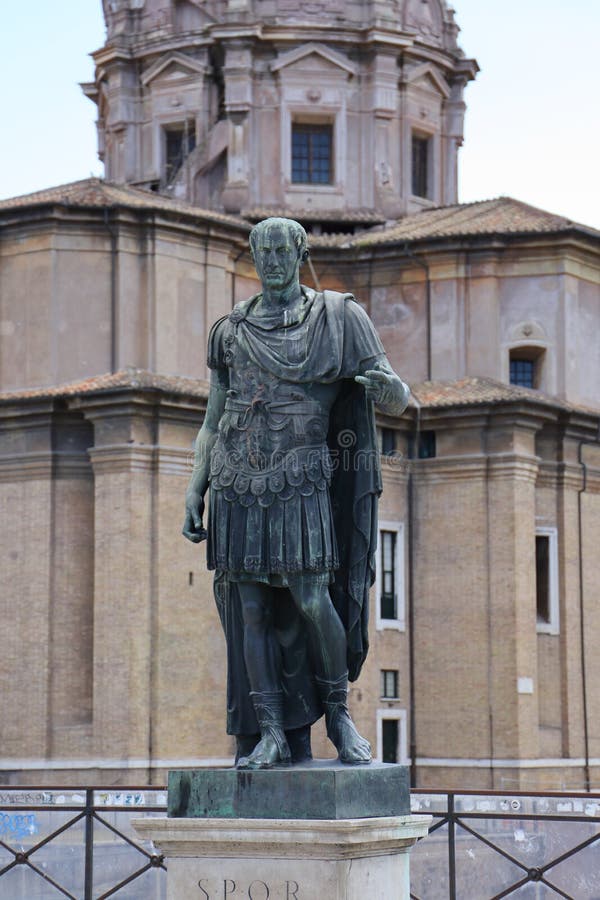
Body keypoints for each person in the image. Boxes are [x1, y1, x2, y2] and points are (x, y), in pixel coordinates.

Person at [183, 217, 409, 769]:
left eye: (282, 250)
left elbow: (396, 395)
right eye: (262, 251)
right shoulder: (229, 330)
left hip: (302, 477)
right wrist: (196, 486)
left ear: (300, 252)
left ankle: (338, 715)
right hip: (235, 479)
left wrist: (390, 389)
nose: (272, 261)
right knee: (251, 609)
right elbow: (212, 420)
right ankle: (270, 732)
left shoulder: (339, 318)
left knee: (312, 599)